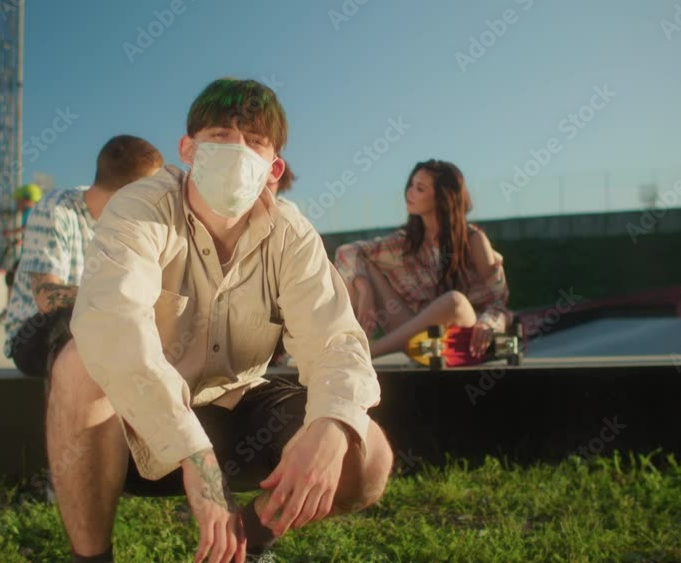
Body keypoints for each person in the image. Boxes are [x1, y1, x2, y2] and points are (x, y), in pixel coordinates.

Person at [49, 78, 393, 563]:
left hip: (238, 409)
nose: (237, 151)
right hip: (137, 427)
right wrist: (195, 455)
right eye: (219, 137)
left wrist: (332, 428)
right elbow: (114, 326)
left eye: (254, 141)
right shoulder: (141, 208)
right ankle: (91, 558)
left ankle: (249, 542)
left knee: (369, 454)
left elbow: (336, 339)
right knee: (79, 362)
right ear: (187, 148)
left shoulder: (290, 234)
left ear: (273, 167)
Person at [3, 135, 163, 377]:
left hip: (99, 327)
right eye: (148, 194)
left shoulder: (129, 226)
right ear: (128, 194)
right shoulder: (57, 209)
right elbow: (47, 297)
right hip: (36, 334)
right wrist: (122, 295)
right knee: (74, 322)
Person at [334, 159, 511, 361]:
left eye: (419, 188)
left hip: (461, 338)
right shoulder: (408, 240)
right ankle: (341, 343)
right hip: (415, 337)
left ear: (442, 197)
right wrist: (365, 290)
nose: (409, 192)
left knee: (454, 302)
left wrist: (488, 324)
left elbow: (499, 302)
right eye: (411, 185)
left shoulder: (473, 240)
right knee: (359, 267)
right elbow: (347, 252)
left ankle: (363, 354)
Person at [3, 183, 43, 290]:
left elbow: (28, 227)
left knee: (11, 277)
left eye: (18, 201)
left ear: (26, 200)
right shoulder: (38, 212)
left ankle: (10, 305)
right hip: (33, 256)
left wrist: (10, 232)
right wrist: (21, 241)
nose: (16, 204)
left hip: (30, 257)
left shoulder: (31, 212)